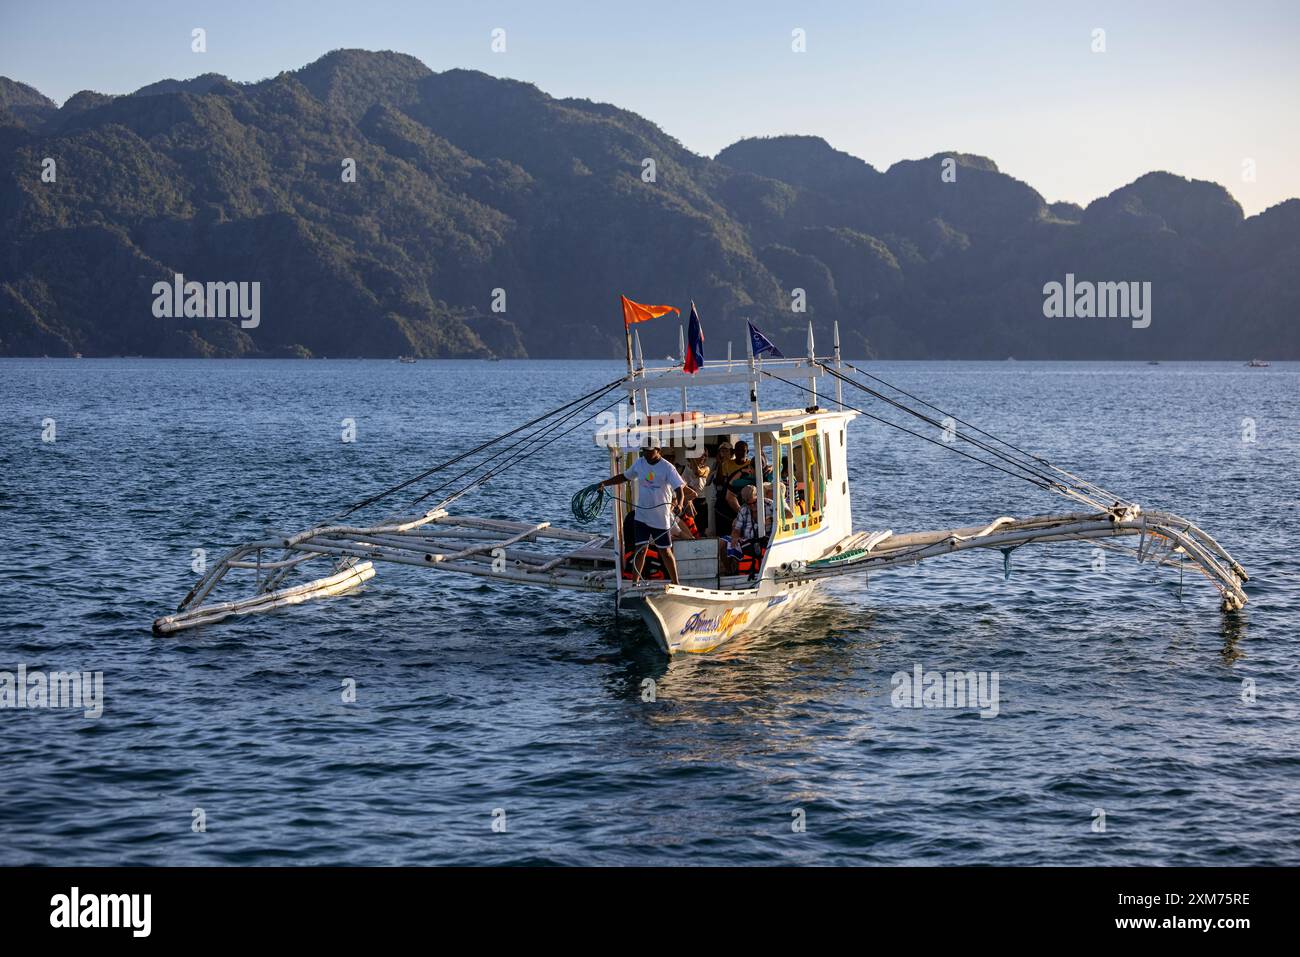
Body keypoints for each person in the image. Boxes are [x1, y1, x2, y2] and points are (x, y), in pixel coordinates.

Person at [600, 445, 695, 584]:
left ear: (658, 451)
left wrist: (680, 504)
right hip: (642, 516)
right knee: (640, 550)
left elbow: (679, 490)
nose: (646, 453)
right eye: (644, 450)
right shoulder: (640, 463)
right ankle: (634, 583)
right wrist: (604, 483)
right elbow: (625, 476)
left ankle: (676, 583)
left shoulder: (668, 468)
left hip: (660, 519)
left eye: (650, 451)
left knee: (666, 552)